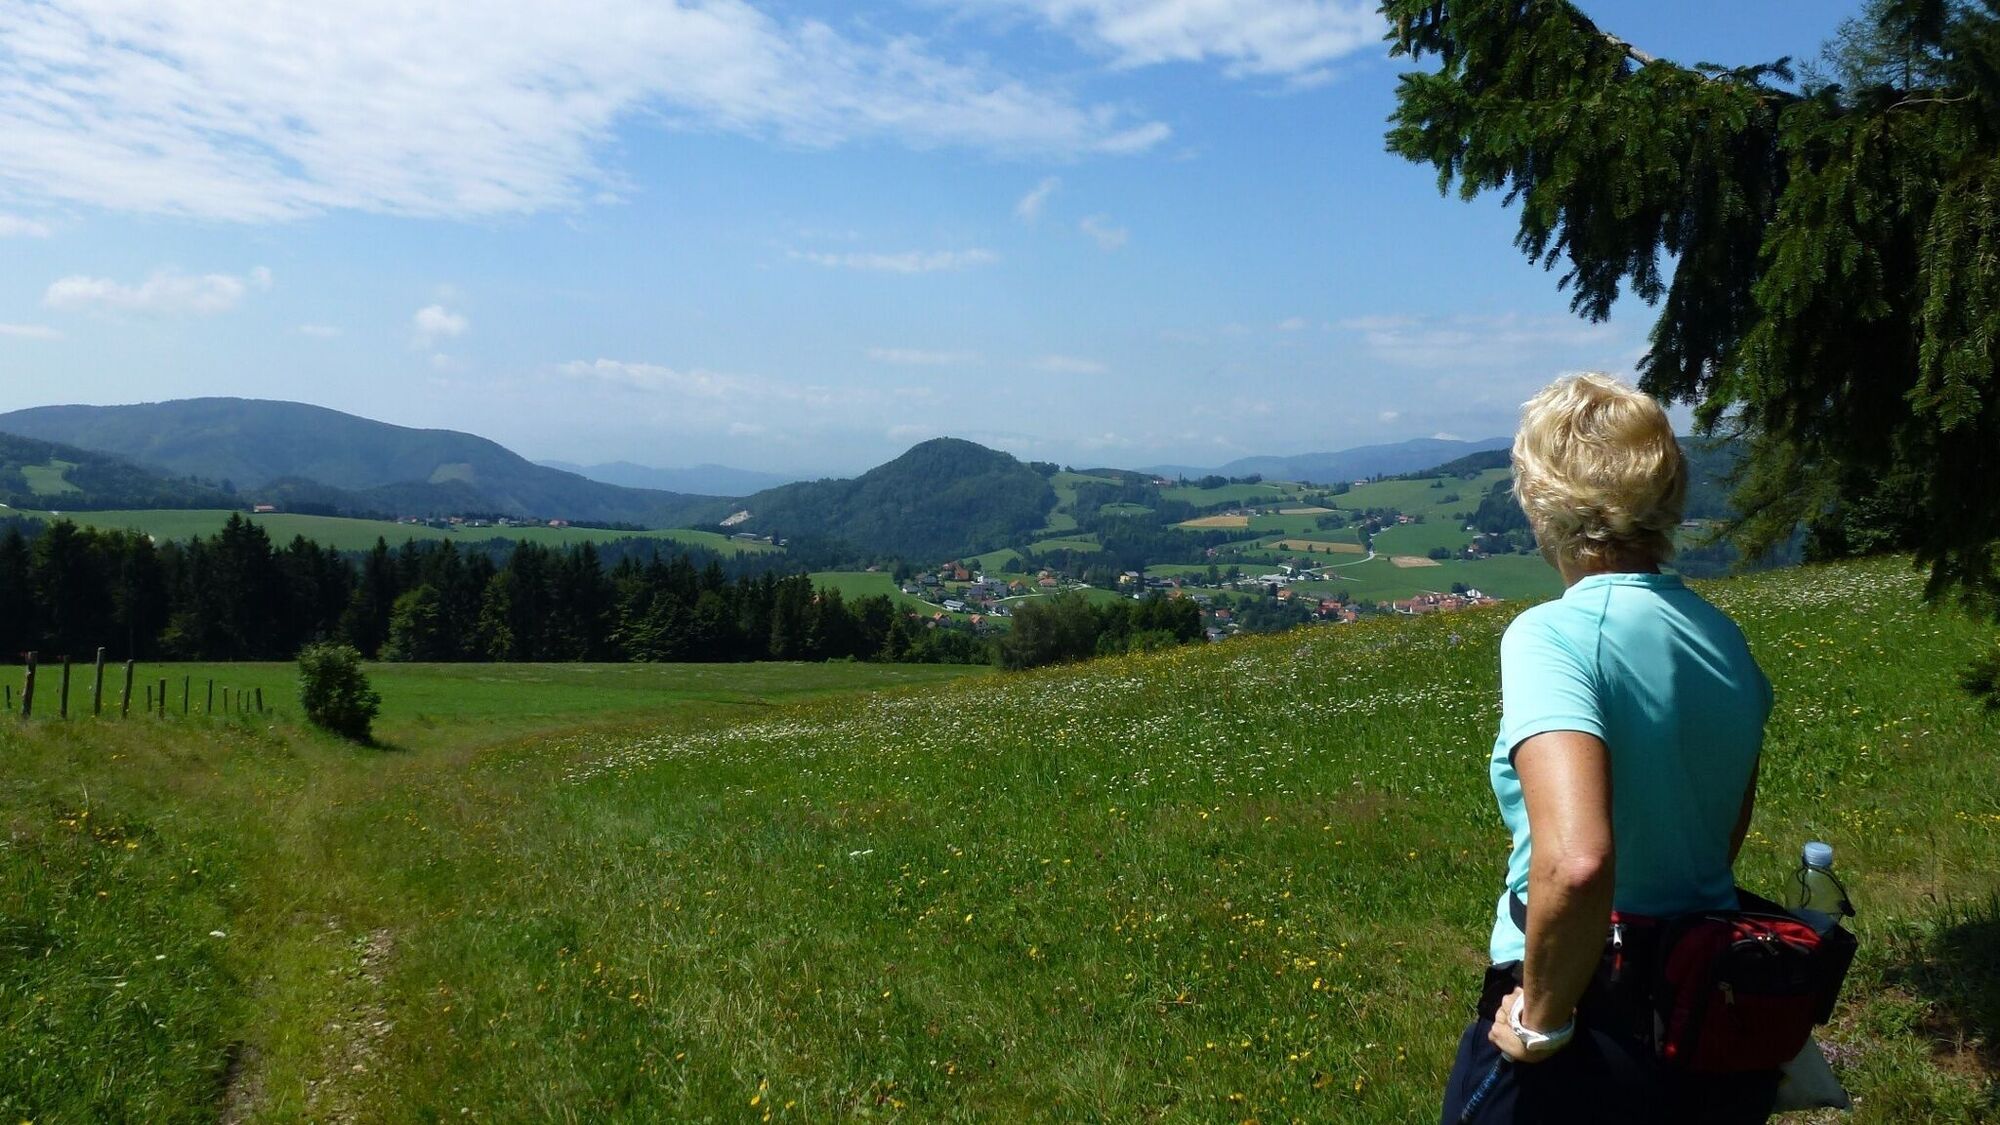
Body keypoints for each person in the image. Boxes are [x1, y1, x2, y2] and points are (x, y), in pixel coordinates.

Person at [1439, 373, 1777, 1123]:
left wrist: (1542, 1020)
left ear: (1540, 499)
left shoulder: (1550, 636)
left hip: (1590, 1020)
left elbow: (1578, 860)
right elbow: (1719, 837)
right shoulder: (1724, 639)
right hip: (1707, 1015)